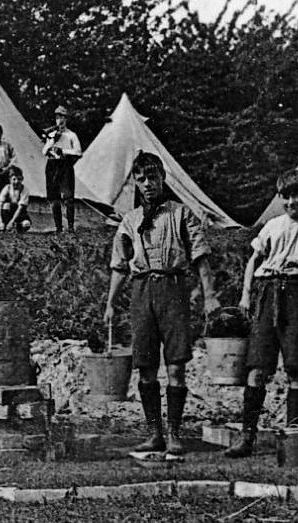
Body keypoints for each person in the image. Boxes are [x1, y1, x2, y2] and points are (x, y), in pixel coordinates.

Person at [102, 152, 219, 455]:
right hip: (142, 292)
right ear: (136, 185)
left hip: (174, 289)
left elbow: (201, 259)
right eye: (141, 179)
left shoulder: (181, 214)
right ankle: (154, 432)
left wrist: (209, 297)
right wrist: (111, 304)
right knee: (146, 367)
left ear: (163, 178)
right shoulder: (129, 221)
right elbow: (119, 266)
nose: (148, 184)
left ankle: (175, 434)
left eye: (152, 177)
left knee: (176, 365)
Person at [225, 170, 298, 458]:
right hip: (266, 294)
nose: (291, 201)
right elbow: (253, 260)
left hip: (296, 297)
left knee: (295, 369)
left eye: (296, 194)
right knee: (257, 368)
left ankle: (293, 440)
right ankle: (246, 437)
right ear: (280, 198)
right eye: (285, 196)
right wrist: (246, 295)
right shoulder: (272, 226)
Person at [43, 106, 84, 232]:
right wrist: (51, 142)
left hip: (65, 166)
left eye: (62, 118)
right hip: (52, 166)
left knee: (68, 198)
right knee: (54, 199)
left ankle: (71, 227)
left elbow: (78, 152)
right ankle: (58, 228)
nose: (59, 121)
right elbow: (44, 152)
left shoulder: (71, 135)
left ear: (66, 119)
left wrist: (64, 151)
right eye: (57, 118)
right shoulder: (51, 134)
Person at [0, 167, 32, 233]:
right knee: (6, 205)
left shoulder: (24, 189)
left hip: (19, 214)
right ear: (10, 179)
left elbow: (20, 208)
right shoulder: (7, 188)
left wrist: (12, 222)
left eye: (19, 179)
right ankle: (5, 226)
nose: (16, 181)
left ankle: (18, 228)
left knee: (26, 224)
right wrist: (0, 221)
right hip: (8, 213)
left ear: (22, 179)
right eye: (14, 179)